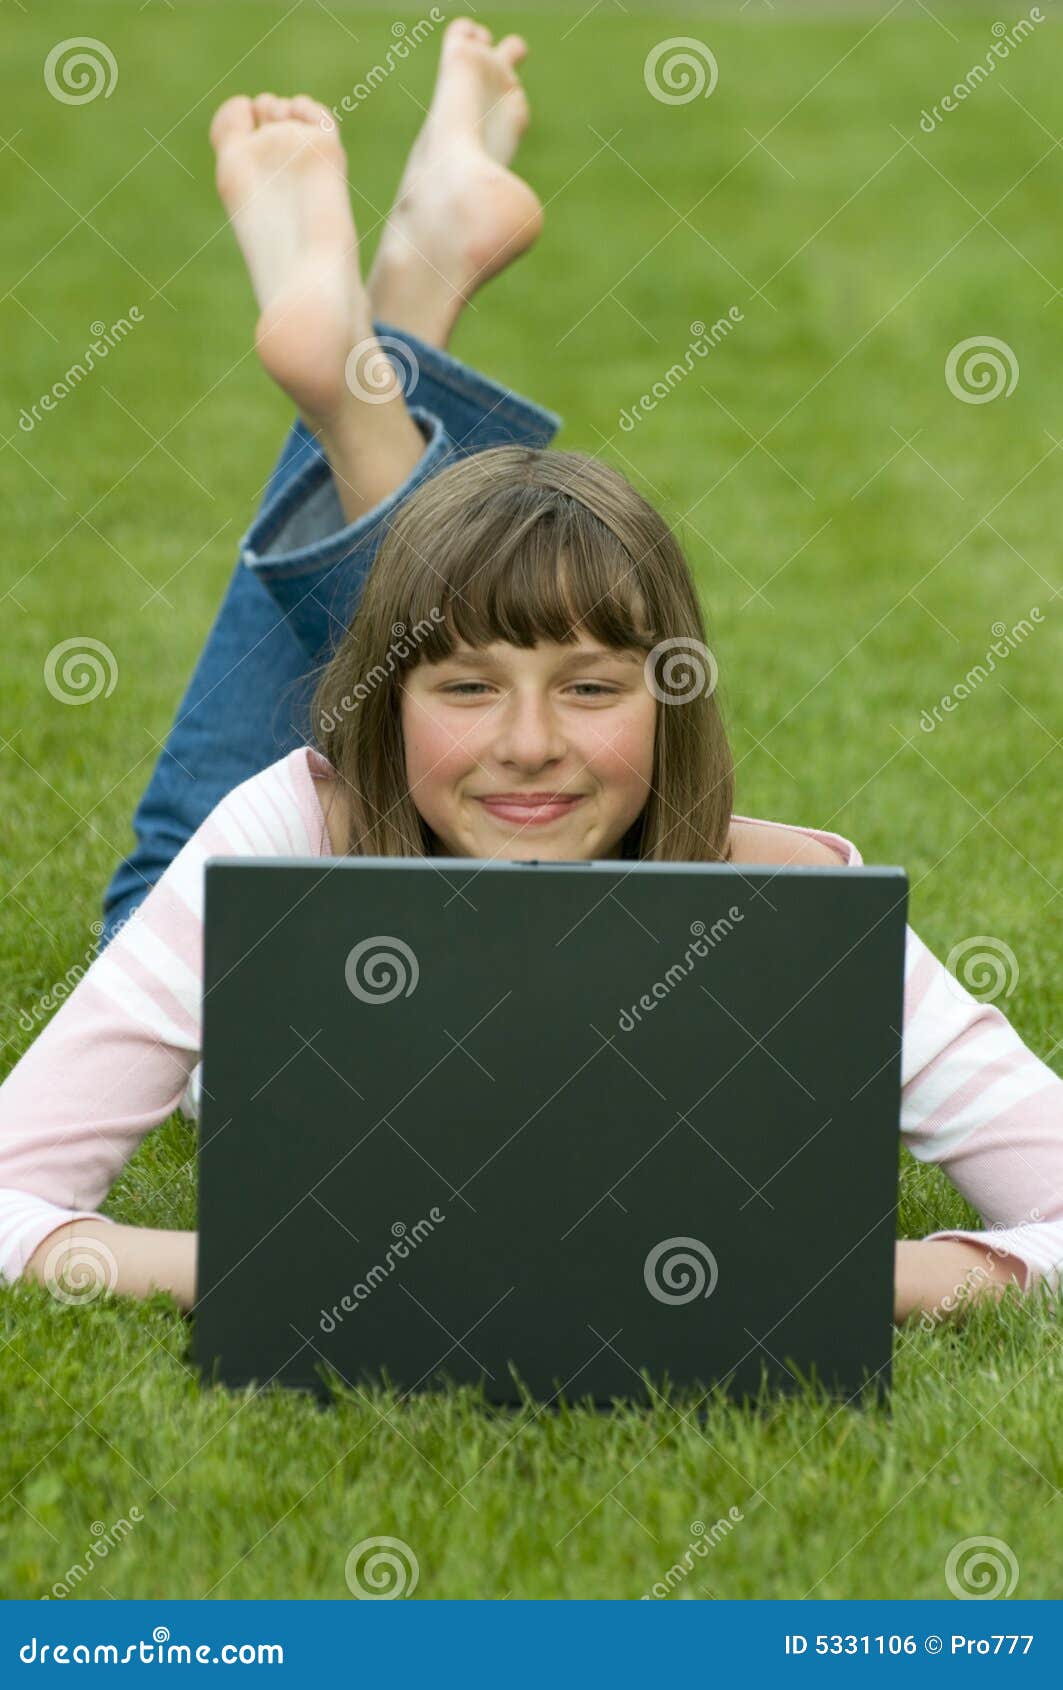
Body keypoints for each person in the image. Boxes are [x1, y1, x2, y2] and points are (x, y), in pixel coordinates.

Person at [2, 21, 1059, 1327]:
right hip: (314, 853)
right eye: (463, 690)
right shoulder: (279, 836)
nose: (531, 745)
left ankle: (397, 314)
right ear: (384, 708)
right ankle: (396, 312)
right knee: (171, 862)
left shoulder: (788, 915)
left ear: (673, 694)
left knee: (438, 616)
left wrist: (894, 1277)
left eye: (595, 689)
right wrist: (261, 1266)